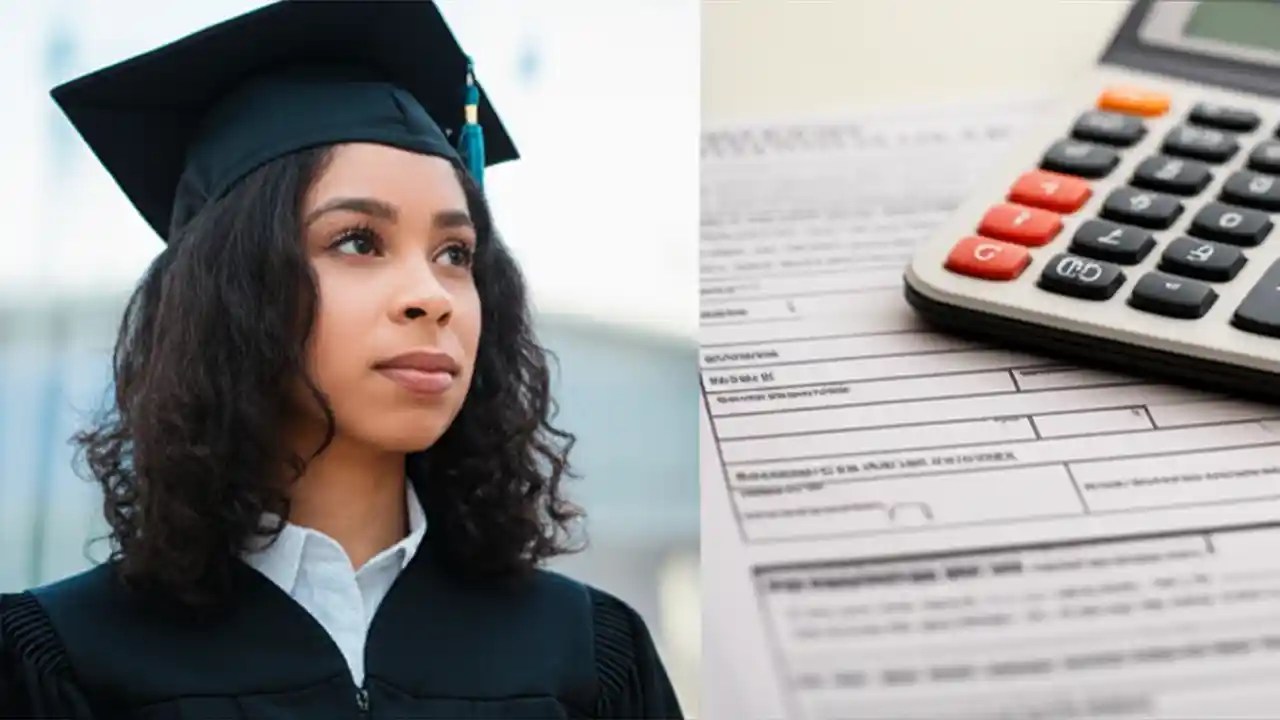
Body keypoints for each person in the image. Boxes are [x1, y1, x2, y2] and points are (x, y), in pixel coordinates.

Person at [0, 2, 683, 718]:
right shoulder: (70, 661)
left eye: (455, 254)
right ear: (231, 293)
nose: (431, 295)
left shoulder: (585, 656)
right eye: (357, 241)